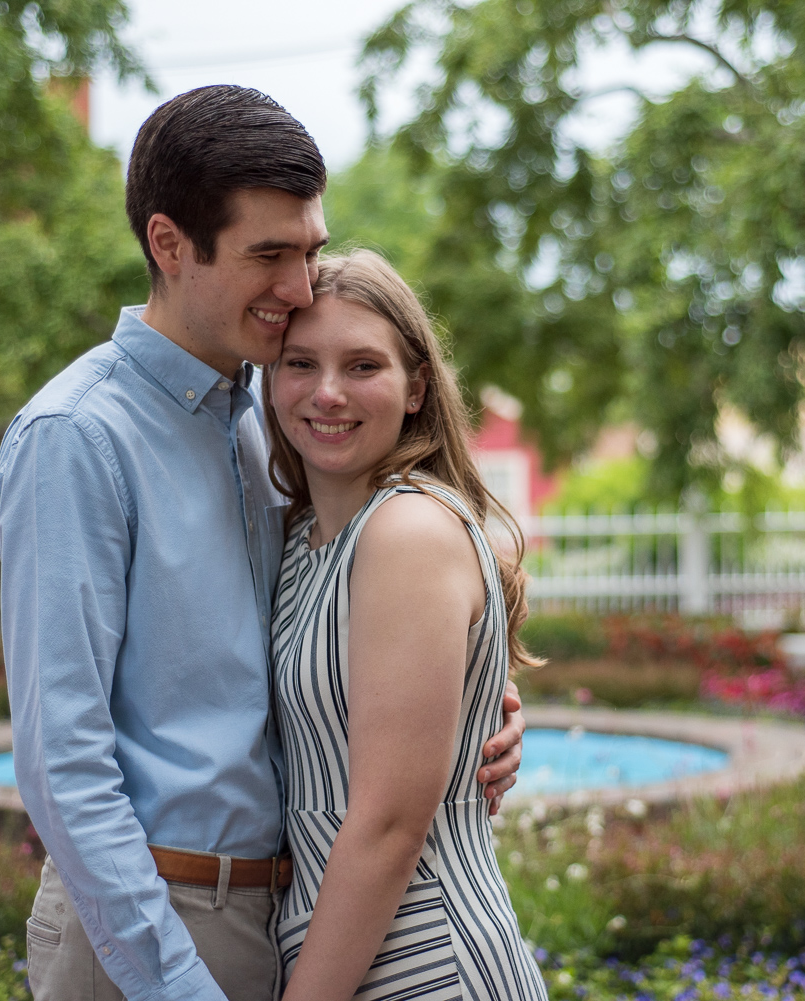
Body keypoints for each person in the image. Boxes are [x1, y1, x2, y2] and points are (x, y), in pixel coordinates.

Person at [0, 86, 526, 1001]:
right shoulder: (77, 436)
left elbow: (342, 647)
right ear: (169, 245)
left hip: (287, 922)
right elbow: (62, 762)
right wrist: (175, 983)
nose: (300, 288)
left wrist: (474, 707)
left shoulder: (264, 422)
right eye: (269, 255)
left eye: (309, 251)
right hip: (154, 924)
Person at [264, 250, 549, 1000]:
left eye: (363, 366)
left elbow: (390, 827)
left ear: (417, 386)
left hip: (424, 965)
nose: (327, 392)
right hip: (343, 955)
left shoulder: (407, 532)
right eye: (301, 363)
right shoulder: (304, 540)